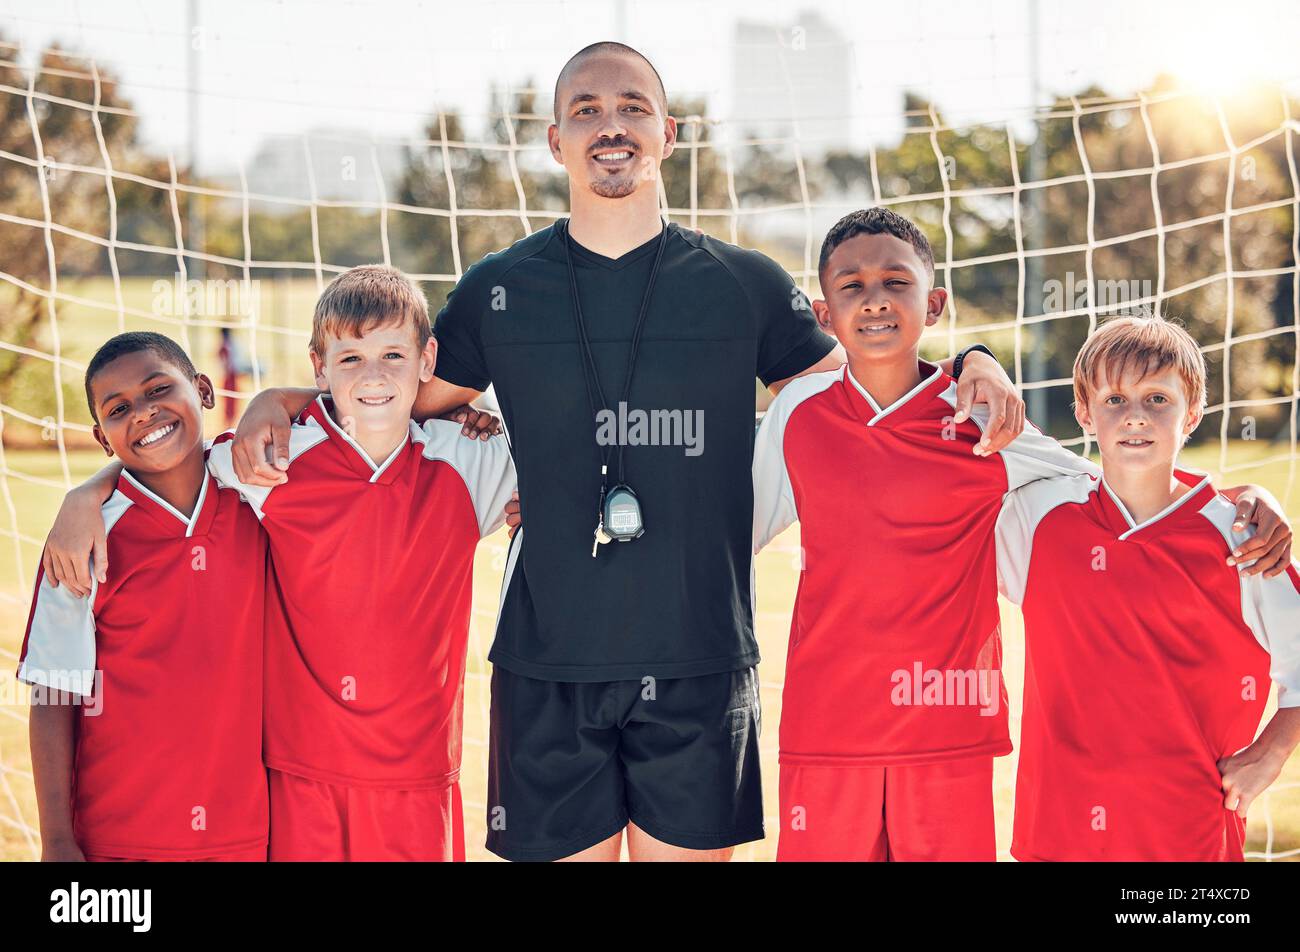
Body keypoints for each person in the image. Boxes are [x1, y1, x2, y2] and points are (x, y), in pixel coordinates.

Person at [77, 43, 1026, 862]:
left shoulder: (745, 285)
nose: (609, 125)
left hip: (699, 661)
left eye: (631, 108)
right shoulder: (498, 289)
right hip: (544, 663)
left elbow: (870, 382)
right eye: (585, 110)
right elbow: (387, 405)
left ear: (669, 134)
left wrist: (975, 357)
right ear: (555, 142)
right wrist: (244, 415)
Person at [752, 208, 1293, 861]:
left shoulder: (984, 423)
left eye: (897, 282)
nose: (875, 301)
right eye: (853, 286)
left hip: (952, 740)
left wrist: (1240, 499)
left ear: (936, 303)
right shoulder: (798, 417)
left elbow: (1112, 477)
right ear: (823, 311)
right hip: (828, 732)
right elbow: (728, 539)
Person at [42, 266, 516, 860]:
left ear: (428, 359)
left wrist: (472, 408)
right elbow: (169, 455)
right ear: (319, 365)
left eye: (394, 354)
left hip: (419, 778)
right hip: (299, 776)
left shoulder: (470, 463)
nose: (373, 375)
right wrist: (86, 493)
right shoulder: (274, 461)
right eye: (350, 360)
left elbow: (553, 443)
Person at [996, 315, 1300, 860]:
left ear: (1194, 415)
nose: (1135, 416)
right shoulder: (1038, 515)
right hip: (1056, 831)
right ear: (1084, 413)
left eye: (1158, 399)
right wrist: (976, 359)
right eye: (1114, 399)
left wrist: (1272, 753)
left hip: (1186, 835)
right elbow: (950, 416)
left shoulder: (1243, 538)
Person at [21, 332, 268, 862]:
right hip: (119, 837)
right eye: (119, 408)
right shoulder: (82, 543)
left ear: (202, 389)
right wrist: (57, 840)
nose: (144, 412)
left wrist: (466, 418)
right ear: (102, 437)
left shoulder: (262, 499)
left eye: (158, 389)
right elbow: (52, 693)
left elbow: (349, 416)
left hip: (249, 832)